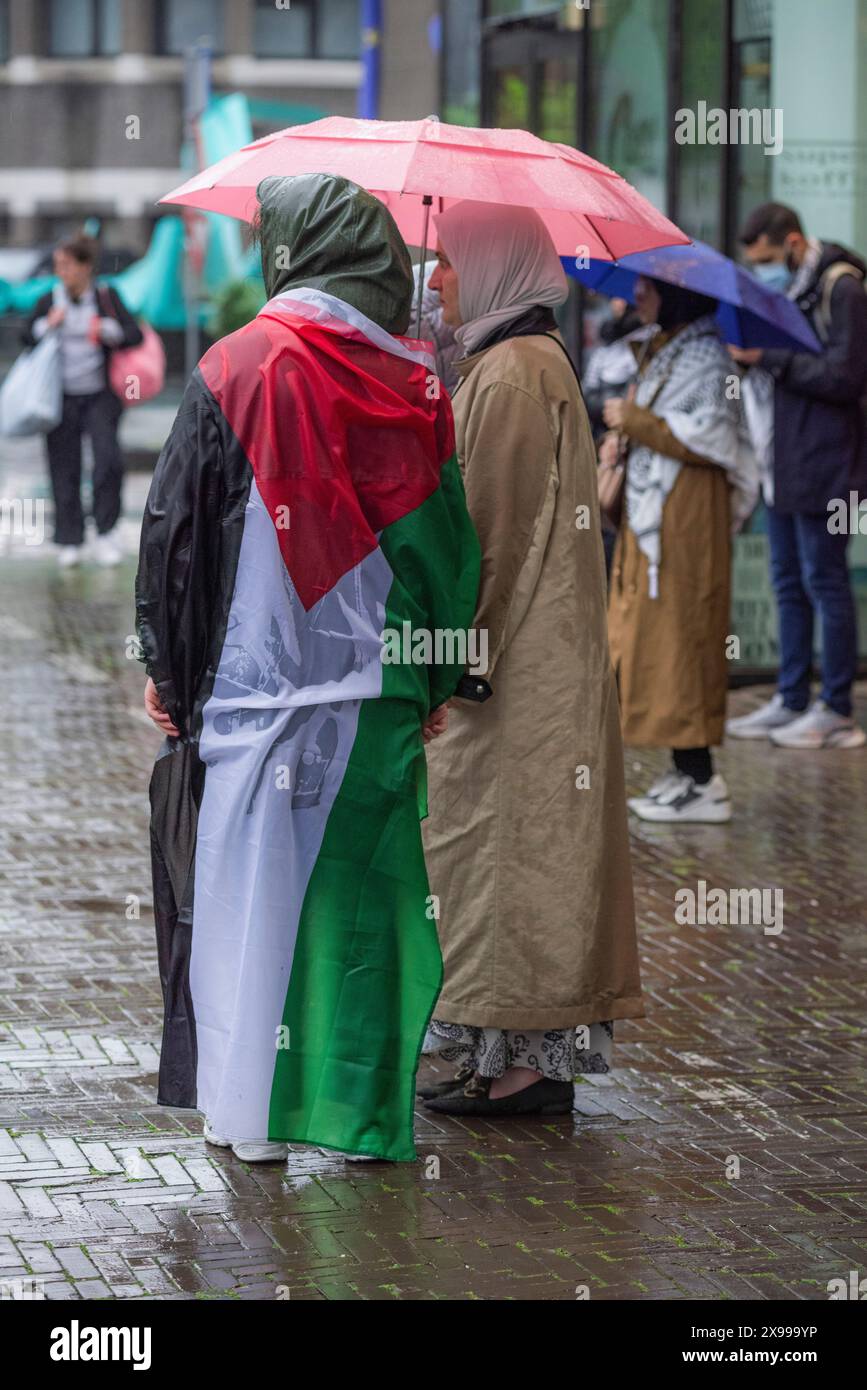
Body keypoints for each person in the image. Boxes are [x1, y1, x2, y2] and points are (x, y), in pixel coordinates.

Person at [135, 174, 480, 1163]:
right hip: (376, 695)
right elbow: (449, 543)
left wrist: (167, 662)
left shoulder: (239, 364)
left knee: (252, 900)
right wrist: (437, 675)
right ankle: (365, 1121)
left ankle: (253, 1123)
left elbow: (176, 531)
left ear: (289, 248)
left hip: (255, 693)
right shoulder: (417, 380)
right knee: (367, 904)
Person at [420, 201, 643, 1119]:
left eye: (447, 262)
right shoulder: (519, 359)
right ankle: (511, 1056)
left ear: (491, 267)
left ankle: (519, 1069)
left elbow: (488, 538)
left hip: (515, 678)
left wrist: (452, 655)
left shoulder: (511, 373)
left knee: (509, 855)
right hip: (531, 670)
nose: (434, 279)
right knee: (514, 854)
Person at [604, 276, 757, 824]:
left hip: (688, 517)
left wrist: (635, 420)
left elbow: (708, 435)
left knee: (684, 634)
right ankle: (682, 766)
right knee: (657, 636)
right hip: (661, 513)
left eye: (651, 287)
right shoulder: (668, 352)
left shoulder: (708, 359)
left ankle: (700, 776)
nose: (639, 295)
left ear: (681, 295)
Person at [728, 203, 867, 749]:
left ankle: (836, 708)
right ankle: (791, 698)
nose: (764, 269)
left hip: (830, 465)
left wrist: (771, 358)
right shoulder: (783, 297)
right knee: (787, 583)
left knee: (825, 581)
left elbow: (848, 375)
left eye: (767, 258)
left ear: (791, 242)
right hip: (781, 461)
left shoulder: (842, 288)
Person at [24, 236, 142, 568]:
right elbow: (24, 337)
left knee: (108, 461)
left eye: (67, 265)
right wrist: (45, 325)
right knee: (64, 467)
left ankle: (106, 531)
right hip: (59, 397)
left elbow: (136, 334)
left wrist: (108, 329)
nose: (61, 272)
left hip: (100, 396)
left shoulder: (106, 297)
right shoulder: (50, 298)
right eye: (58, 265)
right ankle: (70, 538)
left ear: (85, 266)